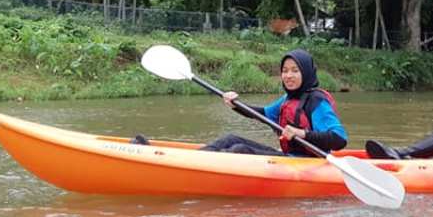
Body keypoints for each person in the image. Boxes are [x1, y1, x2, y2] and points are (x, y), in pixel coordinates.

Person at [132, 49, 347, 156]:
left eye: (295, 71)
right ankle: (183, 160)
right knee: (231, 138)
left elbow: (339, 139)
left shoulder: (316, 101)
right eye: (284, 71)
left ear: (306, 72)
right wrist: (236, 104)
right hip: (288, 158)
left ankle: (188, 165)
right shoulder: (288, 99)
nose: (288, 76)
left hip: (309, 164)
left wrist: (302, 134)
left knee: (240, 149)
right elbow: (260, 113)